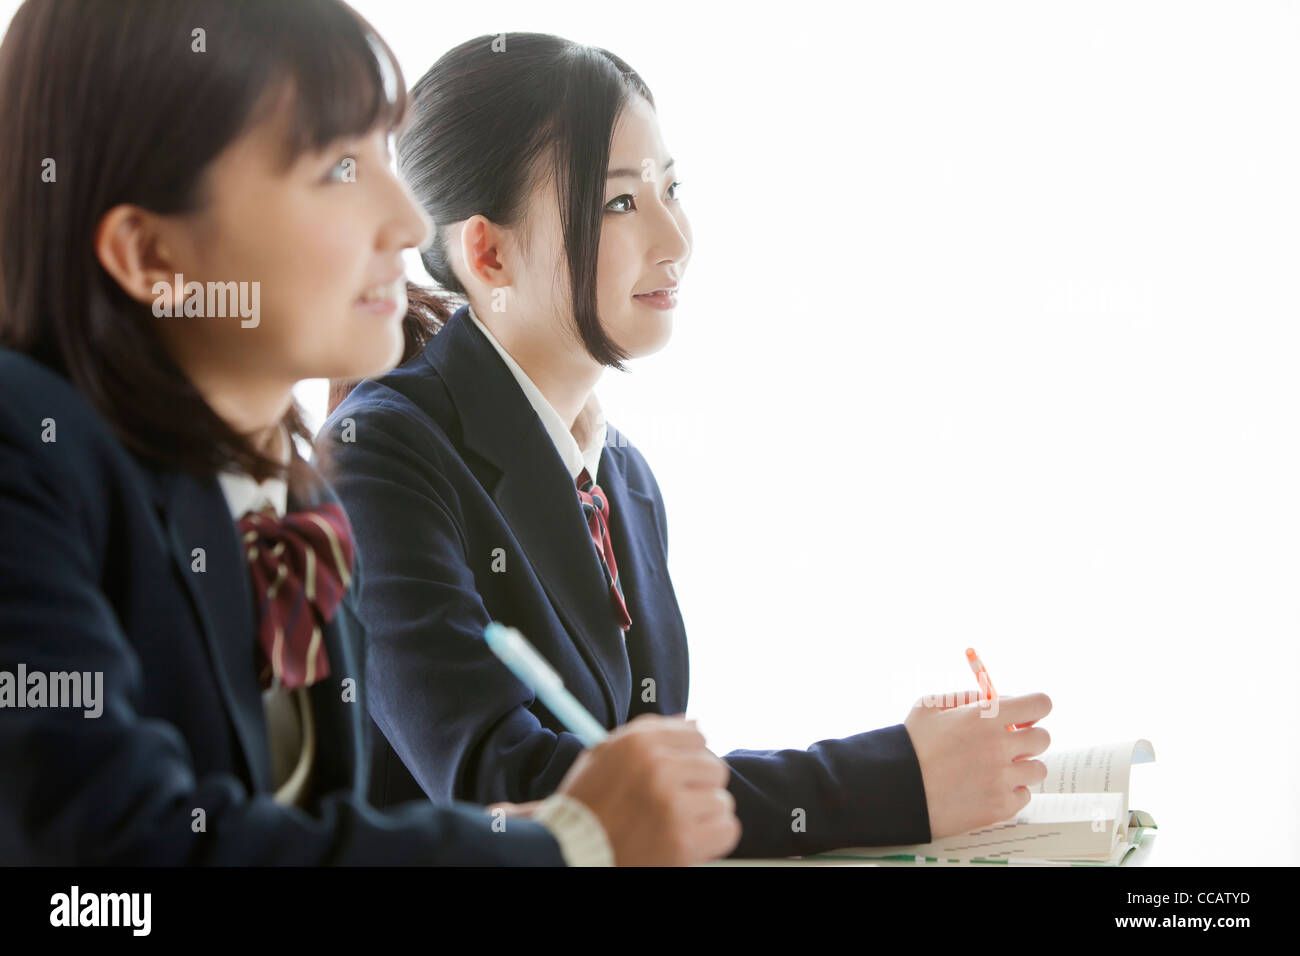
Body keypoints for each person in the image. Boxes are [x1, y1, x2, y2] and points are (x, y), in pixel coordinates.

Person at [0, 0, 739, 867]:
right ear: (153, 256)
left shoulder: (288, 497)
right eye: (337, 169)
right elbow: (104, 866)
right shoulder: (26, 453)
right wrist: (569, 844)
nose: (408, 222)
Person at [319, 32, 1052, 858]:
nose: (677, 239)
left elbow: (656, 804)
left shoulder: (622, 480)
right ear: (488, 251)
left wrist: (917, 770)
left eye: (671, 189)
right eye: (620, 203)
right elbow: (512, 786)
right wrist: (892, 781)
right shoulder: (378, 457)